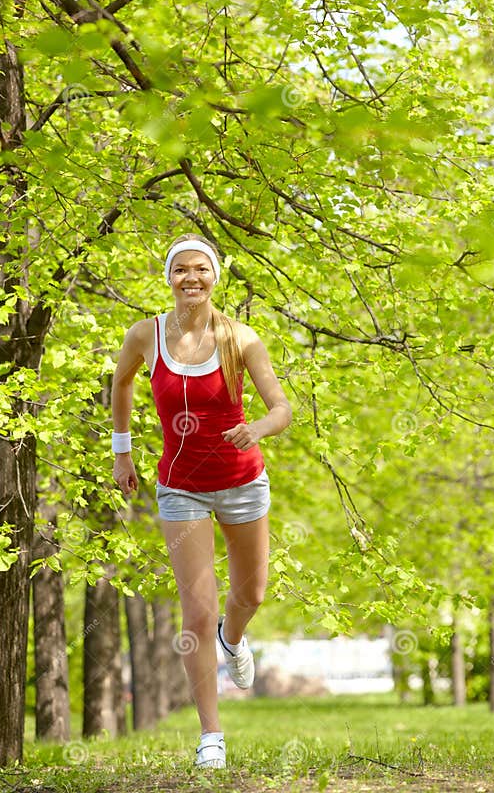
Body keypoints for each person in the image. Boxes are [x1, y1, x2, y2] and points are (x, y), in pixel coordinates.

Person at [111, 233, 292, 769]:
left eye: (201, 270)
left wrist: (255, 428)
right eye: (180, 271)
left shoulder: (240, 338)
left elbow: (281, 407)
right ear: (169, 278)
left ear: (215, 277)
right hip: (180, 487)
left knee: (251, 593)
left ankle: (233, 639)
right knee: (195, 611)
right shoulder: (146, 335)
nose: (191, 278)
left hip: (241, 481)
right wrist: (123, 454)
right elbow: (121, 385)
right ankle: (211, 735)